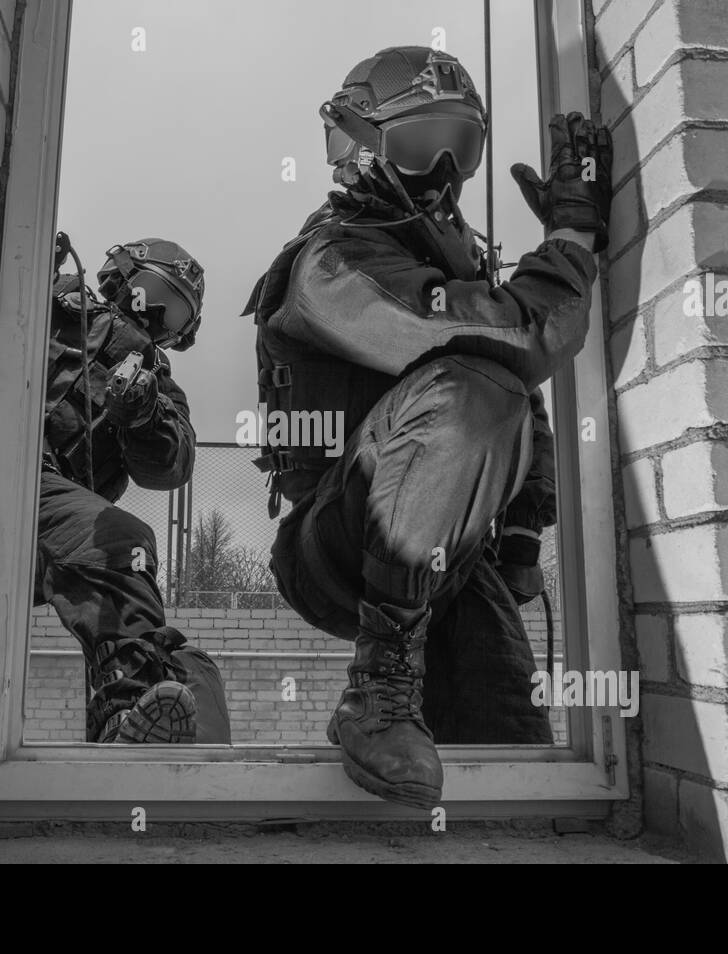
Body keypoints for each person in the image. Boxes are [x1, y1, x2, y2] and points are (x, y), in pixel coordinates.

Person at [243, 47, 612, 807]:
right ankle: (377, 691)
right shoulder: (332, 264)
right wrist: (570, 241)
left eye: (461, 146)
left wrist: (520, 541)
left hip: (452, 563)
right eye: (420, 145)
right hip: (336, 543)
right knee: (475, 376)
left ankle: (406, 750)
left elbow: (519, 397)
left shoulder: (456, 276)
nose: (443, 171)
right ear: (356, 145)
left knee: (509, 762)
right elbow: (513, 338)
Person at [36, 233, 230, 744]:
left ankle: (128, 720)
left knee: (125, 545)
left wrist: (143, 415)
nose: (158, 317)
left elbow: (170, 467)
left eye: (175, 316)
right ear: (123, 277)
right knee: (125, 540)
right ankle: (129, 707)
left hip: (49, 517)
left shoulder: (160, 384)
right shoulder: (53, 300)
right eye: (157, 297)